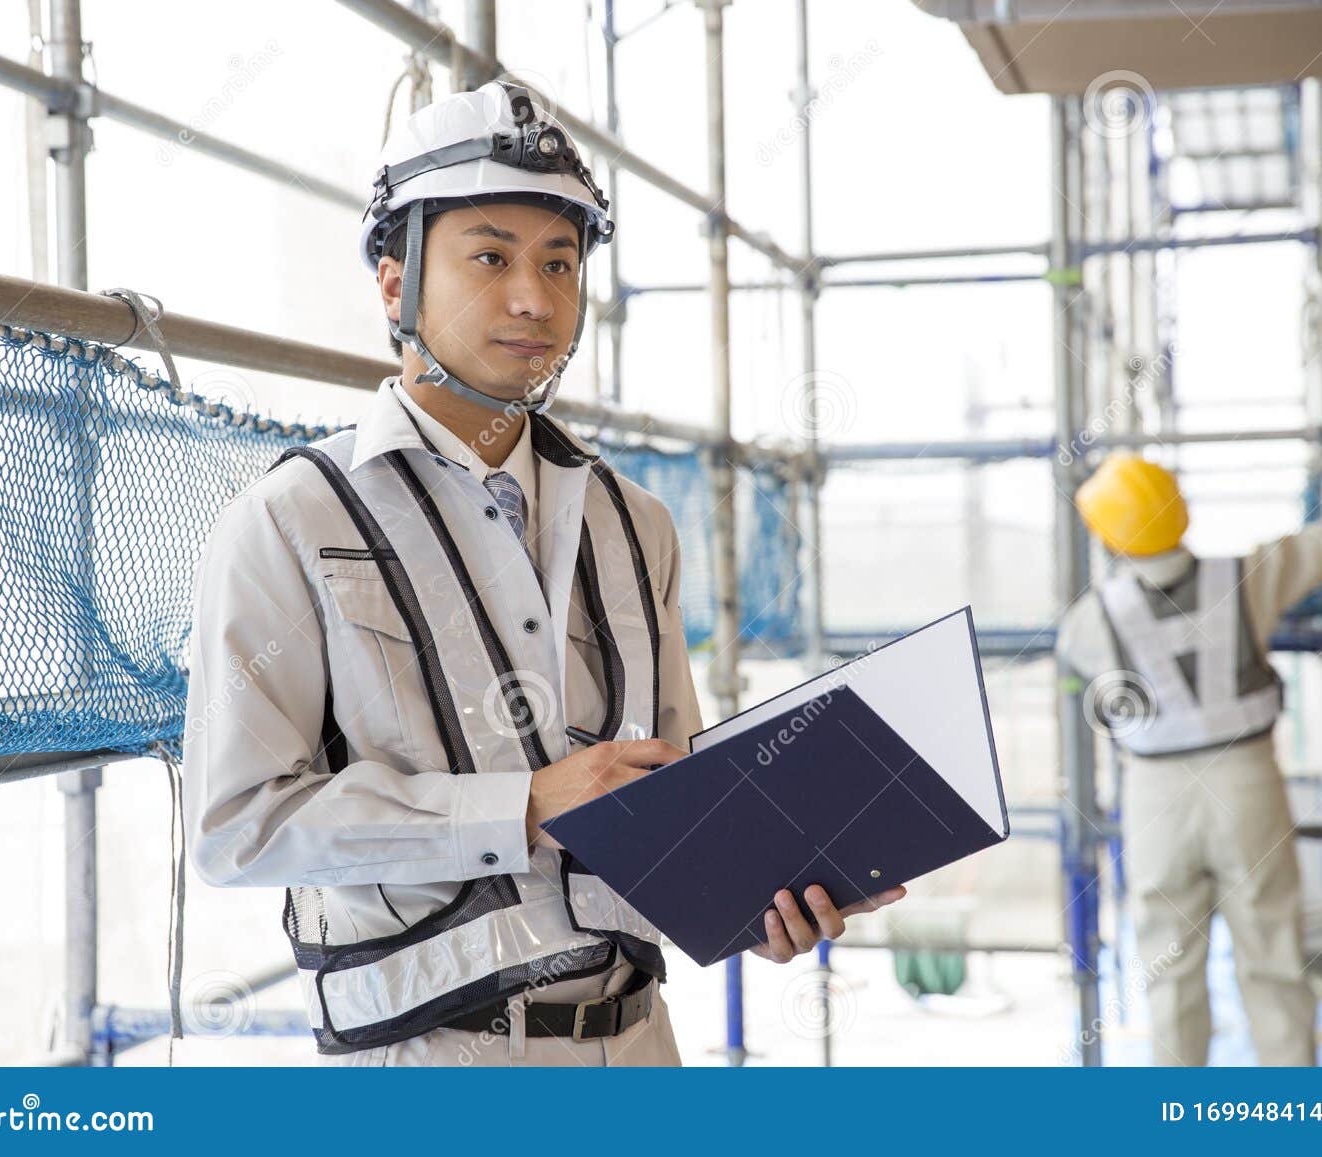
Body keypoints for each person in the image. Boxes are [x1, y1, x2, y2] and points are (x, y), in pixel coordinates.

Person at [181, 80, 904, 1067]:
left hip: (641, 1049)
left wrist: (764, 887)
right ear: (394, 285)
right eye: (490, 257)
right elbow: (239, 826)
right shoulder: (293, 521)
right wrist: (517, 808)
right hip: (430, 1065)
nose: (534, 296)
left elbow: (675, 803)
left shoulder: (633, 521)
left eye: (560, 261)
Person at [1056, 453, 1322, 1066]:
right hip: (1247, 781)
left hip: (1155, 794)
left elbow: (1086, 686)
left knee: (1168, 969)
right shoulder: (1244, 577)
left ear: (1109, 534)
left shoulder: (1090, 619)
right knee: (1272, 954)